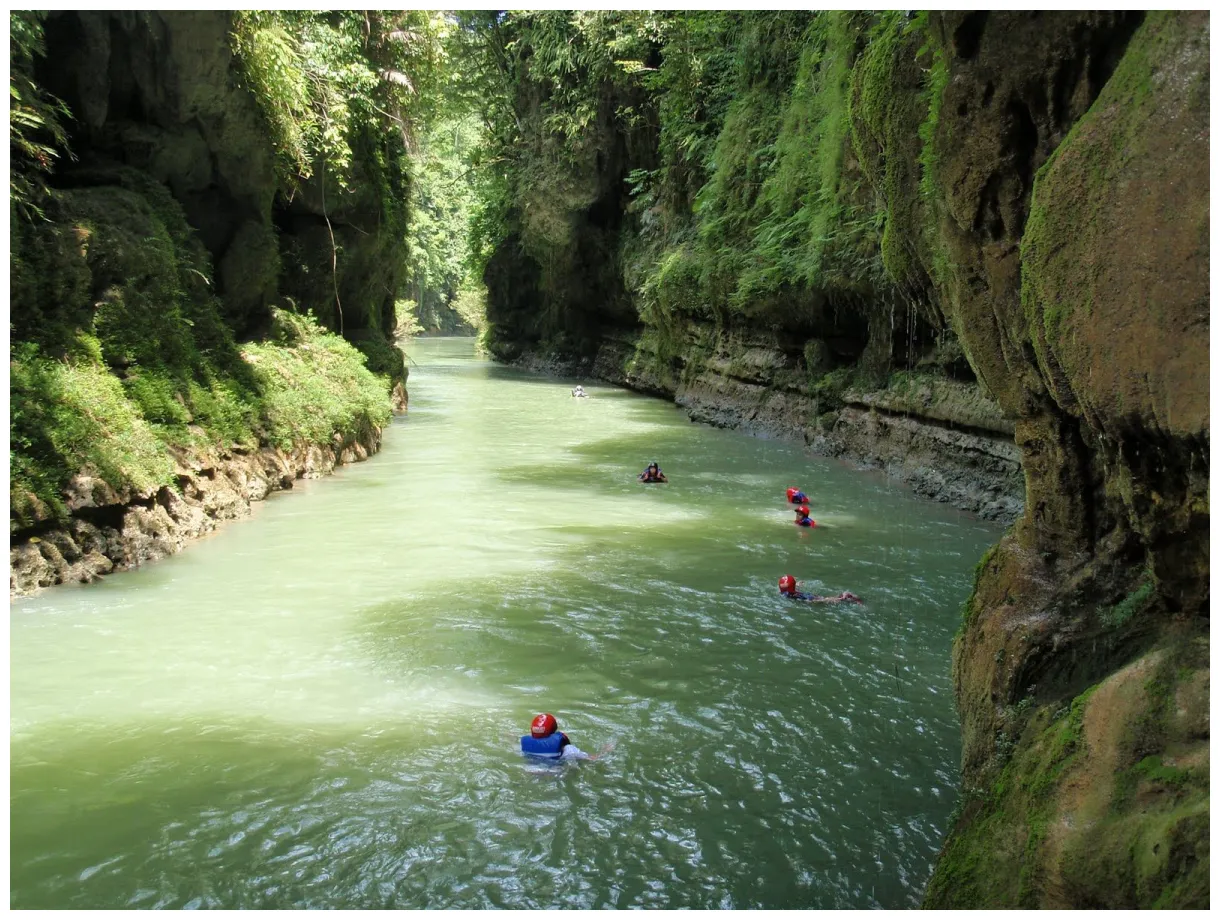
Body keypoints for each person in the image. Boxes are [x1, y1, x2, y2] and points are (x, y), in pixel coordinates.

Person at [520, 713, 608, 762]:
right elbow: (593, 759)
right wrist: (606, 750)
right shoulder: (568, 750)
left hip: (530, 772)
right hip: (554, 776)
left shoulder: (523, 745)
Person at [778, 575, 861, 604]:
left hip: (806, 598)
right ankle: (842, 597)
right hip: (805, 595)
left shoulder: (786, 594)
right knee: (824, 598)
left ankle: (843, 597)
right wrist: (796, 585)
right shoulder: (790, 592)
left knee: (825, 600)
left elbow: (788, 588)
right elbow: (790, 587)